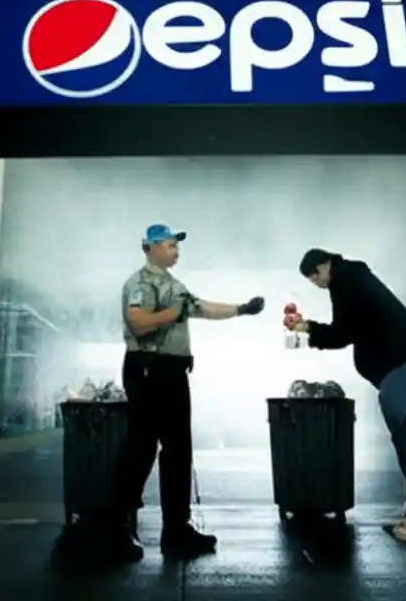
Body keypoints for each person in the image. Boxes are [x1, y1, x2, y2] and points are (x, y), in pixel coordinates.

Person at [108, 224, 265, 561]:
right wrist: (172, 313)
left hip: (172, 373)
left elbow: (203, 308)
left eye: (176, 246)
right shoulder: (141, 282)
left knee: (178, 451)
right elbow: (137, 322)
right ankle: (114, 529)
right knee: (141, 448)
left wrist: (241, 309)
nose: (176, 251)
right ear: (149, 248)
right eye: (169, 246)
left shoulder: (173, 285)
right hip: (149, 369)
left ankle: (176, 529)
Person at [287, 249, 406, 544]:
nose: (316, 283)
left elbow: (343, 333)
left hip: (403, 368)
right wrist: (309, 328)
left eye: (314, 277)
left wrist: (310, 330)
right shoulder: (354, 279)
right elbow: (351, 329)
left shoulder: (347, 281)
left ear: (323, 266)